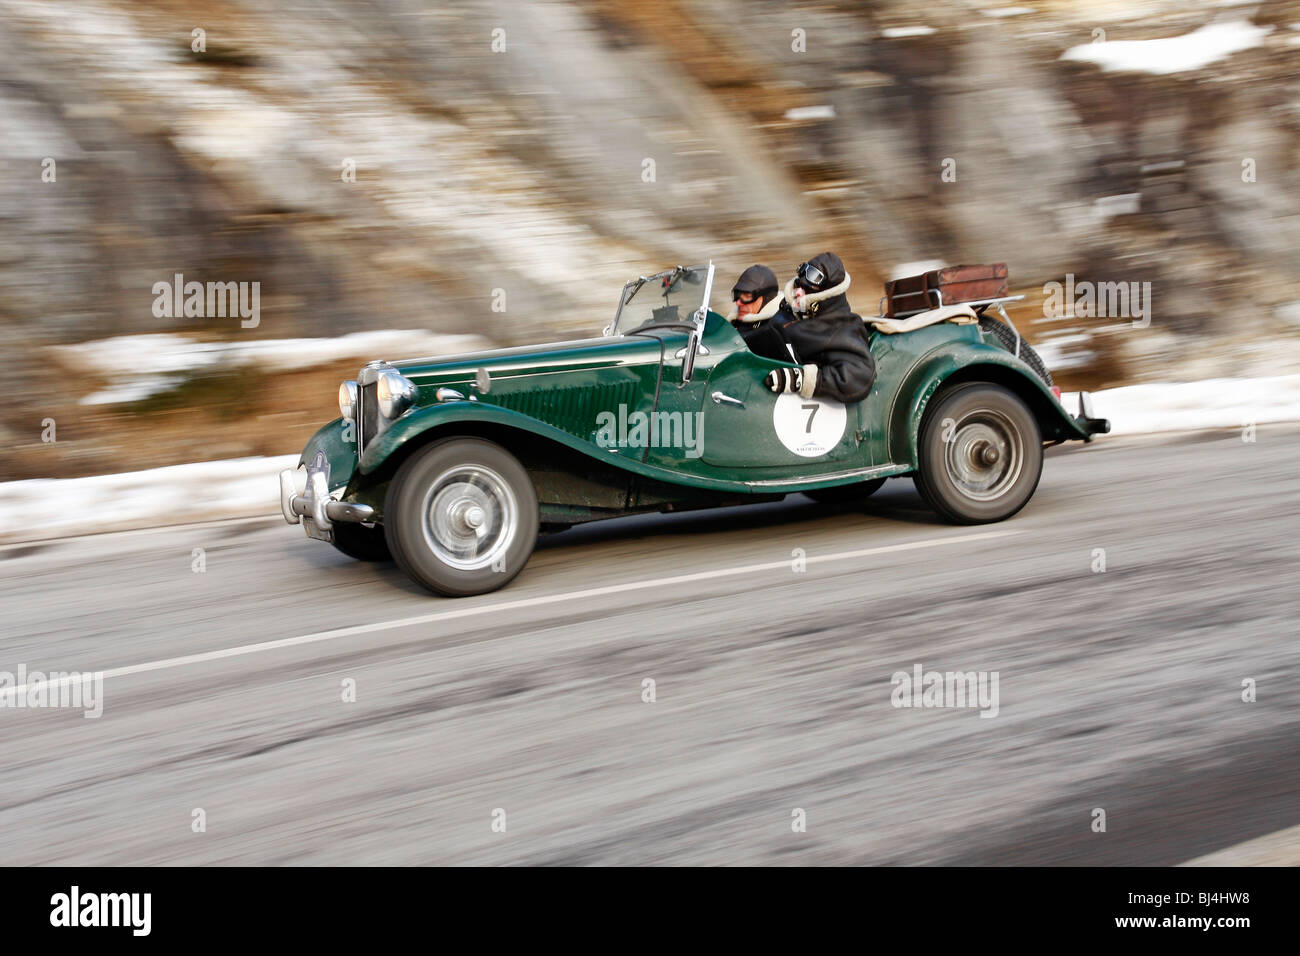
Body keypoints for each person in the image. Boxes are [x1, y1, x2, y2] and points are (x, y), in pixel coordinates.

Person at [762, 252, 876, 403]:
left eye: (806, 290)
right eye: (799, 285)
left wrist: (800, 379)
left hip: (788, 401)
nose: (798, 292)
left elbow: (859, 377)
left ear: (824, 296)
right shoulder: (791, 313)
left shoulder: (844, 328)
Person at [726, 265, 791, 362]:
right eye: (737, 295)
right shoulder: (735, 322)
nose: (738, 302)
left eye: (747, 296)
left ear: (766, 298)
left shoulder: (781, 327)